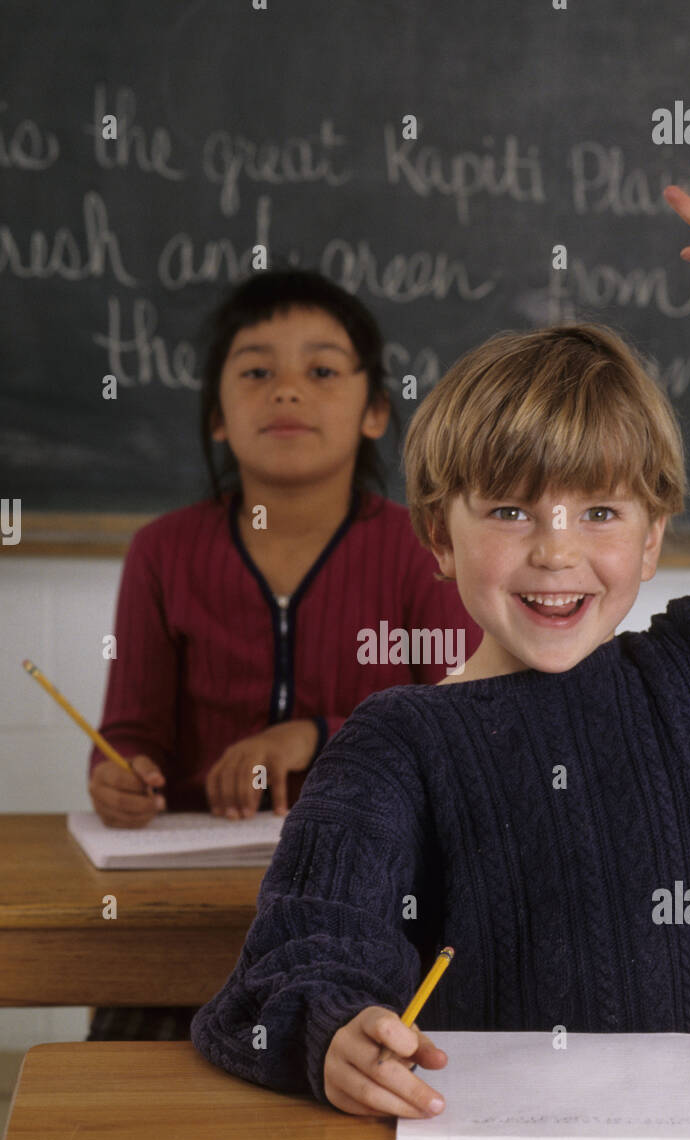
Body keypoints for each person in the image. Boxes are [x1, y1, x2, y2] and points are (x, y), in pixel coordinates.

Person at [190, 158, 690, 1119]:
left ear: (655, 533)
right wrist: (334, 1034)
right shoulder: (395, 745)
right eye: (506, 508)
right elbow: (299, 961)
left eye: (601, 512)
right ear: (437, 538)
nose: (554, 551)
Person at [85, 268, 481, 1041]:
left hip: (372, 899)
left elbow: (463, 730)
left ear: (373, 411)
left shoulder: (424, 548)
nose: (288, 391)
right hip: (190, 912)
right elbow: (130, 735)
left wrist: (319, 736)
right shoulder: (162, 553)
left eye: (322, 370)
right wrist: (119, 775)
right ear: (218, 419)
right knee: (140, 1096)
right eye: (257, 371)